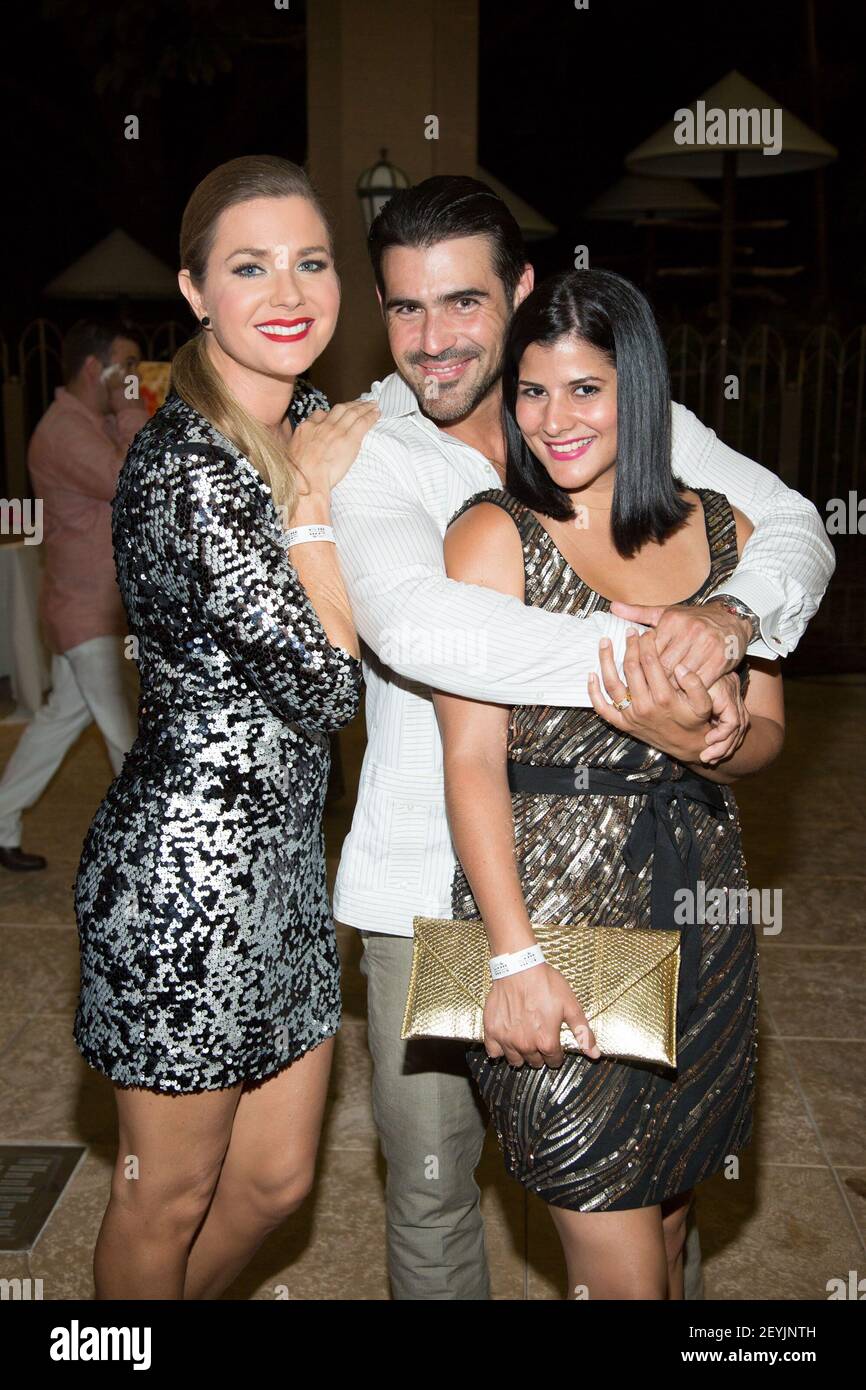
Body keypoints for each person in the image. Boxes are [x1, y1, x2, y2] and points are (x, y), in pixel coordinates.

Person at [327, 175, 834, 1300]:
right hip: (432, 880)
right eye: (405, 308)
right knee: (433, 1186)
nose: (434, 337)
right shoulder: (367, 448)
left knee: (653, 1198)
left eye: (462, 302)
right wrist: (659, 667)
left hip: (657, 888)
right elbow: (417, 628)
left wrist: (728, 623)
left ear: (518, 289)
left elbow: (791, 529)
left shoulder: (619, 406)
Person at [432, 267, 785, 1299]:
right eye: (531, 391)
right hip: (552, 929)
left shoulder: (731, 539)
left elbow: (764, 734)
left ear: (638, 389)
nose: (552, 419)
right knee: (613, 1251)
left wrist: (703, 740)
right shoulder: (489, 535)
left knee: (668, 1221)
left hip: (697, 911)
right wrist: (511, 960)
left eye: (583, 388)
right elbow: (469, 761)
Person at [72, 155, 377, 1299]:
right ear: (197, 292)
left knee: (274, 1184)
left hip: (285, 871)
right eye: (250, 267)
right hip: (186, 884)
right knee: (168, 1194)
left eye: (309, 261)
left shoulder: (294, 418)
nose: (288, 288)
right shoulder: (190, 470)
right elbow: (325, 687)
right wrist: (306, 503)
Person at [0, 321, 146, 872]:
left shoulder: (92, 422)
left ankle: (1, 820)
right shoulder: (63, 431)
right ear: (95, 369)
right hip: (88, 614)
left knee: (59, 722)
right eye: (126, 367)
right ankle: (152, 851)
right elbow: (131, 480)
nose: (134, 380)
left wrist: (125, 408)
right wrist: (130, 406)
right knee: (127, 738)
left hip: (86, 608)